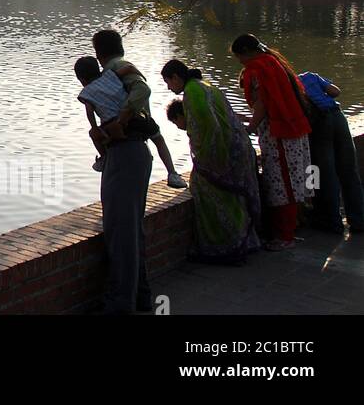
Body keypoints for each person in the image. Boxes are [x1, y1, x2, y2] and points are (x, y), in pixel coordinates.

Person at [161, 59, 262, 263]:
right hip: (239, 148)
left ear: (176, 77)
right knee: (235, 199)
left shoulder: (193, 93)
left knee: (204, 189)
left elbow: (208, 130)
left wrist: (205, 161)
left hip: (224, 155)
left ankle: (225, 248)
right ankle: (243, 242)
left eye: (168, 82)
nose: (169, 87)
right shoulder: (205, 86)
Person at [90, 29, 154, 313]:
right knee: (132, 230)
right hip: (137, 153)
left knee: (120, 232)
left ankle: (120, 304)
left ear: (97, 52)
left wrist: (122, 119)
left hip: (126, 154)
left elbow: (143, 89)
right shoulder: (119, 69)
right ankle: (139, 295)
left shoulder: (115, 69)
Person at [231, 34, 314, 251]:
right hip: (295, 127)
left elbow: (262, 105)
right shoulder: (275, 62)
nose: (240, 61)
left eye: (239, 57)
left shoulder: (257, 69)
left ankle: (284, 237)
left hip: (279, 134)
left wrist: (248, 129)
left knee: (282, 185)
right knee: (300, 181)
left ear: (246, 52)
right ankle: (294, 229)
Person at [74, 55, 186, 188]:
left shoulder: (86, 92)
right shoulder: (110, 76)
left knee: (94, 135)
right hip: (136, 116)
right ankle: (172, 173)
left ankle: (103, 158)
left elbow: (89, 110)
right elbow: (129, 68)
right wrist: (141, 76)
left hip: (112, 125)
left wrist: (94, 127)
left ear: (81, 79)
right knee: (158, 139)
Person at [298, 70, 364, 235]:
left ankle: (331, 221)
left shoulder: (288, 85)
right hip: (337, 117)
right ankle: (359, 220)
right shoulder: (310, 76)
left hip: (318, 125)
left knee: (324, 174)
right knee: (349, 171)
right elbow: (335, 92)